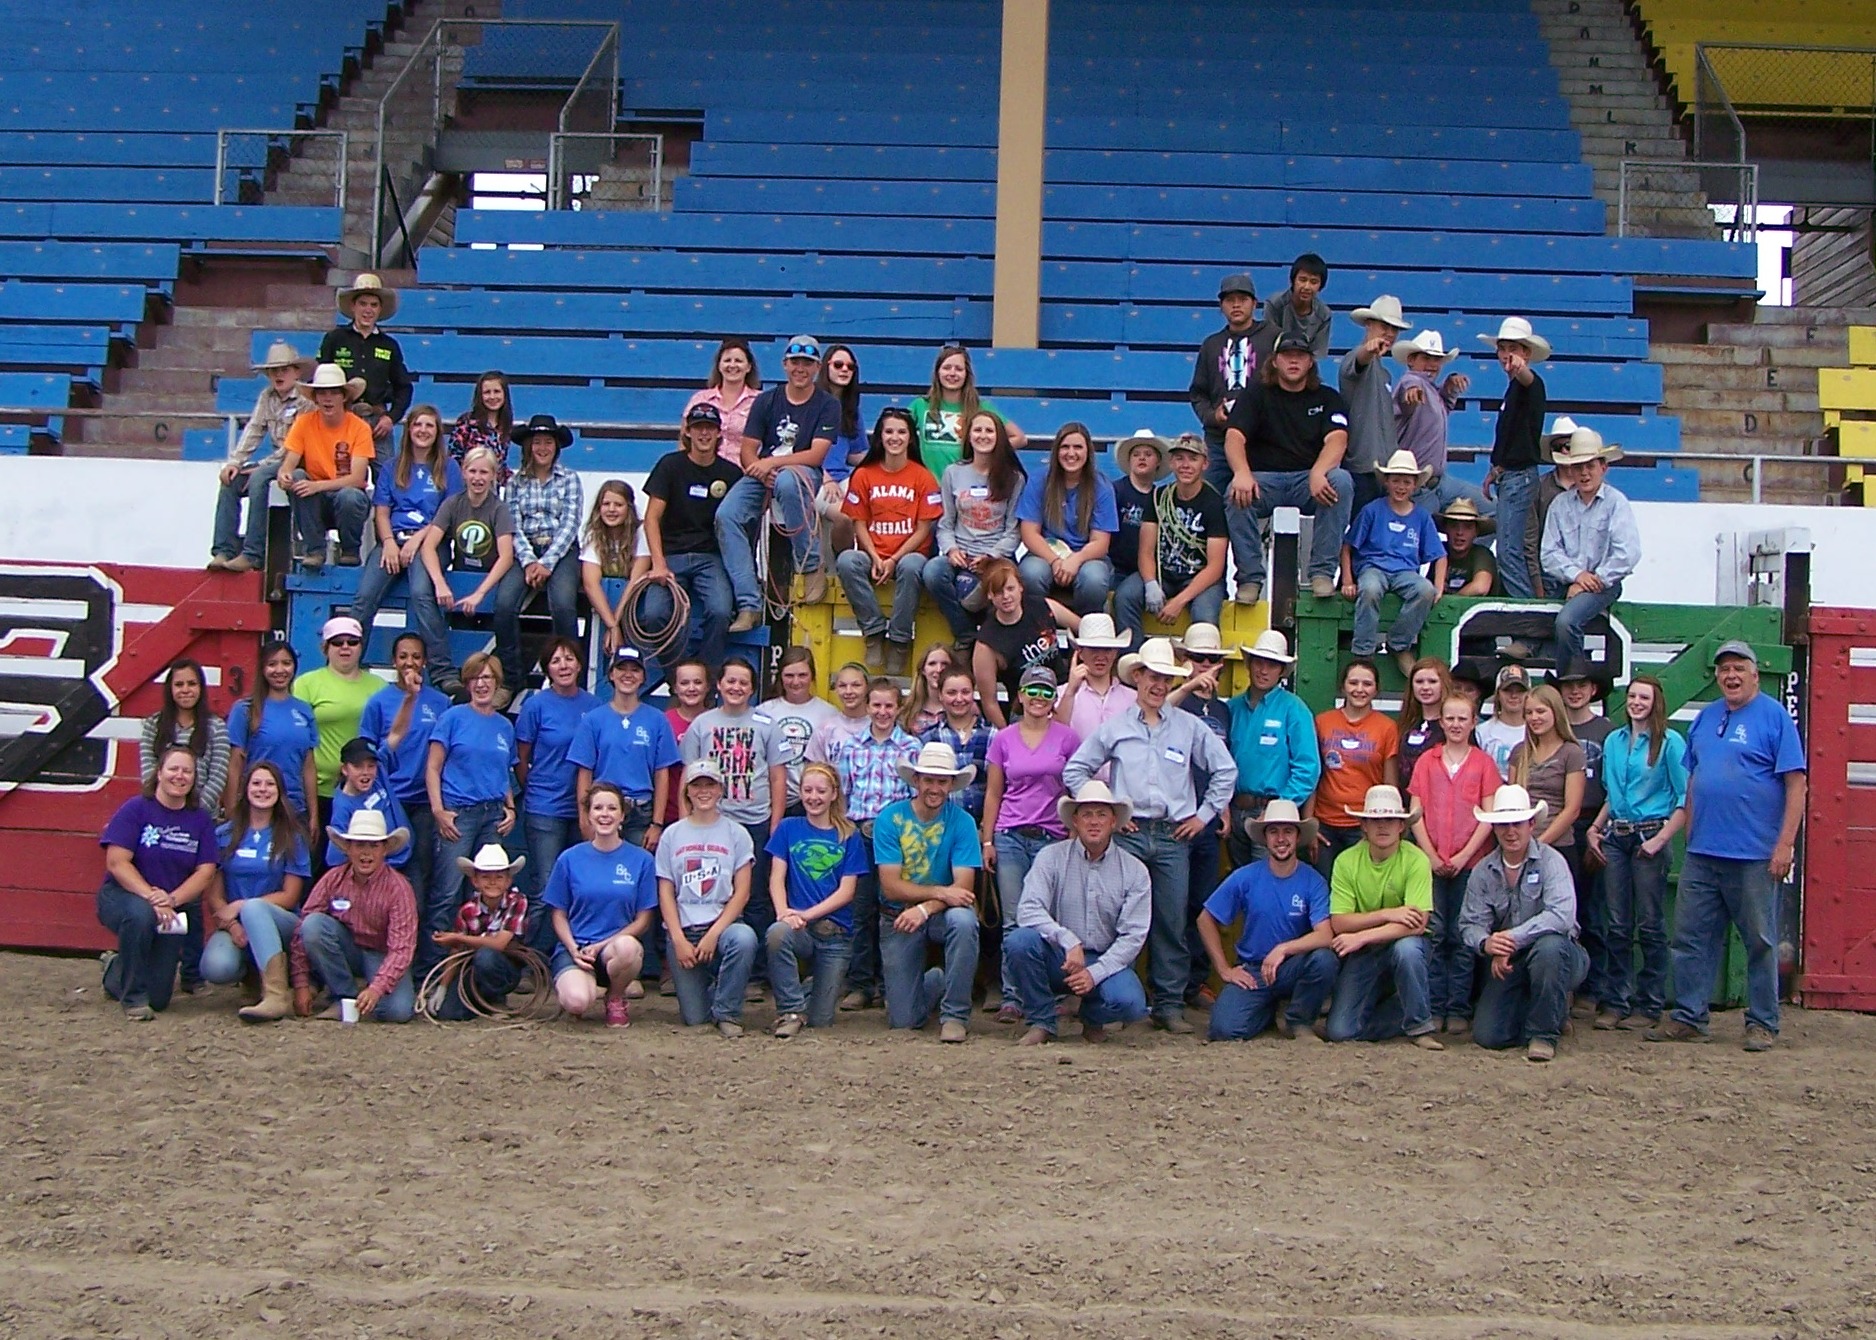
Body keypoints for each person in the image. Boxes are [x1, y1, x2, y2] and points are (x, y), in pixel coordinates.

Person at [1063, 637, 1236, 1033]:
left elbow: (1225, 770)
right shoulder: (1117, 727)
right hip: (1131, 831)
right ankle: (1112, 998)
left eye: (1165, 678)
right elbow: (1076, 770)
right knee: (1116, 919)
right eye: (1152, 677)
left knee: (1171, 921)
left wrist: (1203, 816)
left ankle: (1168, 1004)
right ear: (1138, 677)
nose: (1158, 685)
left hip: (1174, 833)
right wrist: (1111, 813)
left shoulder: (1189, 726)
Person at [1650, 641, 1805, 1051]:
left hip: (1754, 853)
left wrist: (1785, 844)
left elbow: (1796, 784)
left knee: (1759, 941)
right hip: (1703, 852)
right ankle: (1688, 1016)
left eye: (1738, 668)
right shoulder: (1705, 718)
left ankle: (1762, 1023)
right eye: (1724, 670)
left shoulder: (1775, 718)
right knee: (1690, 938)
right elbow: (1694, 780)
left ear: (1755, 674)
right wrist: (1690, 827)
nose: (1731, 676)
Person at [1006, 779, 1151, 1045]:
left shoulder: (1135, 871)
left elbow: (1133, 937)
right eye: (1086, 814)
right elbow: (1027, 909)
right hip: (1060, 956)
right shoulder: (1051, 856)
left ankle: (1092, 1017)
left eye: (1101, 814)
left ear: (1113, 822)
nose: (1094, 822)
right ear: (1075, 821)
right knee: (1018, 942)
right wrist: (1067, 939)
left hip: (1105, 958)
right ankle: (1042, 1020)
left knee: (1131, 1004)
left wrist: (1094, 973)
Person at [980, 664, 1081, 1022]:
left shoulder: (1068, 738)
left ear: (1054, 699)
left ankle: (1045, 992)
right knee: (1013, 920)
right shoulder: (1003, 738)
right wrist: (987, 839)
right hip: (1010, 836)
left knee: (1048, 919)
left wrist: (1074, 832)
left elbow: (1076, 790)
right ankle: (1012, 996)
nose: (1039, 699)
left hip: (1052, 837)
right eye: (1032, 691)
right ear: (1020, 696)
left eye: (1046, 692)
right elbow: (994, 792)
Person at [1586, 673, 1687, 1032]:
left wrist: (1661, 841)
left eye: (1643, 697)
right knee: (1616, 924)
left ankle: (1649, 1003)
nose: (1636, 702)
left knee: (1650, 924)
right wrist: (1596, 830)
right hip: (1617, 835)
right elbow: (1613, 795)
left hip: (1650, 836)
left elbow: (1684, 799)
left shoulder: (1670, 743)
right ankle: (1615, 1001)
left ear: (1656, 702)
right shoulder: (1614, 741)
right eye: (1632, 696)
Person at [1460, 784, 1589, 1061]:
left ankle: (1543, 1035)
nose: (1510, 831)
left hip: (1561, 953)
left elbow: (1561, 916)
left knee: (1550, 948)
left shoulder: (1552, 861)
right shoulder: (1483, 871)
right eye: (1503, 825)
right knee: (1488, 1035)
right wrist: (1488, 943)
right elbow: (1469, 924)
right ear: (1494, 829)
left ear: (1531, 824)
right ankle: (1551, 1012)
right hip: (1511, 960)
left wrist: (1509, 940)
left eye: (1517, 823)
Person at [719, 334, 840, 631]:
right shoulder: (767, 400)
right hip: (764, 472)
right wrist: (759, 469)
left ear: (817, 367)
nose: (801, 368)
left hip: (800, 471)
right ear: (785, 364)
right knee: (727, 516)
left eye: (808, 363)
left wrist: (770, 464)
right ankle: (748, 602)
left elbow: (816, 454)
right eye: (795, 362)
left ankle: (810, 564)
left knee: (787, 482)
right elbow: (748, 448)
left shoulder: (827, 404)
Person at [1222, 334, 1354, 602]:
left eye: (1301, 355)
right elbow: (1234, 436)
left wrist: (1319, 472)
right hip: (1264, 482)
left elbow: (1338, 438)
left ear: (1310, 363)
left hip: (1307, 481)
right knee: (1233, 492)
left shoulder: (1328, 397)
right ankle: (1249, 579)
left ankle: (1322, 573)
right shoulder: (1255, 394)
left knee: (1341, 481)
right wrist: (1241, 472)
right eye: (1287, 355)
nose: (1294, 360)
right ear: (1275, 361)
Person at [1196, 799, 1339, 1041]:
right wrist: (1224, 969)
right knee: (1224, 1030)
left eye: (1287, 831)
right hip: (1253, 970)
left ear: (1297, 837)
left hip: (1293, 966)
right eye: (1274, 831)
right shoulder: (1246, 877)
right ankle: (1270, 1010)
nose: (1281, 839)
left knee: (1324, 960)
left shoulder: (1313, 881)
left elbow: (1325, 935)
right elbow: (1205, 918)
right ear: (1265, 838)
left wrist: (1284, 949)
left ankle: (1298, 1021)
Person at [95, 746, 219, 1020]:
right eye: (173, 769)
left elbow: (205, 872)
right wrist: (151, 897)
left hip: (171, 908)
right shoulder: (136, 809)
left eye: (187, 771)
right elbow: (117, 862)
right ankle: (133, 1001)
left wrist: (172, 899)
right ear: (159, 773)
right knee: (140, 916)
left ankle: (115, 969)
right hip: (123, 897)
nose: (180, 776)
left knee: (161, 998)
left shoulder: (200, 819)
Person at [681, 657, 786, 972]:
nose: (736, 687)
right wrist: (686, 820)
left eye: (743, 682)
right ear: (719, 685)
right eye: (731, 681)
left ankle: (754, 972)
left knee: (755, 898)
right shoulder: (702, 724)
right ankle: (713, 964)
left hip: (754, 821)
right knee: (713, 893)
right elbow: (687, 776)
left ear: (752, 689)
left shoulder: (767, 725)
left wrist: (775, 824)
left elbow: (778, 777)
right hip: (713, 823)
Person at [873, 741, 983, 1042]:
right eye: (929, 780)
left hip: (937, 914)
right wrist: (942, 893)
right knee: (904, 1021)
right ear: (916, 781)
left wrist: (926, 908)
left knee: (964, 921)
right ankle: (934, 983)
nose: (935, 788)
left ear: (951, 784)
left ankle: (955, 1015)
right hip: (897, 915)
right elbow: (890, 886)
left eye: (942, 781)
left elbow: (964, 889)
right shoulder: (889, 819)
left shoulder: (963, 822)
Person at [421, 652, 518, 980]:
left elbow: (503, 771)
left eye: (488, 678)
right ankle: (430, 972)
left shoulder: (505, 726)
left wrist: (511, 808)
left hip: (493, 815)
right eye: (476, 678)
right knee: (447, 892)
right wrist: (438, 810)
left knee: (487, 896)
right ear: (467, 683)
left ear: (497, 684)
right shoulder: (452, 718)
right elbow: (433, 767)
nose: (482, 684)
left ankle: (471, 975)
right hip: (458, 813)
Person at [1409, 693, 1500, 1034]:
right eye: (1450, 718)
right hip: (1430, 861)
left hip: (1472, 863)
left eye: (1463, 718)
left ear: (1473, 722)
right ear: (1441, 722)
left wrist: (1464, 857)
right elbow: (1415, 812)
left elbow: (1489, 815)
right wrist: (1430, 854)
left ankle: (1458, 1008)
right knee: (1434, 933)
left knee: (1463, 937)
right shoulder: (1426, 761)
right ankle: (1433, 1007)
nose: (1456, 724)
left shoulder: (1484, 764)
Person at [1323, 784, 1440, 1048]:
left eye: (1390, 819)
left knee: (1408, 950)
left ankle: (1420, 1026)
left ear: (1402, 826)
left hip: (1400, 943)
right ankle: (1408, 1011)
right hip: (1366, 951)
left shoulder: (1416, 859)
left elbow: (1417, 924)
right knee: (1340, 1031)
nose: (1383, 826)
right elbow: (1339, 922)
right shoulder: (1345, 860)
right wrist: (1390, 914)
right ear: (1364, 825)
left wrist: (1362, 935)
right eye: (1375, 820)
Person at [828, 676, 919, 1012]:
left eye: (888, 706)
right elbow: (843, 794)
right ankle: (861, 984)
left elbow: (915, 797)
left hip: (896, 839)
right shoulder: (851, 747)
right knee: (861, 911)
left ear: (899, 708)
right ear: (867, 707)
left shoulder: (911, 748)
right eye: (876, 705)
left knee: (894, 910)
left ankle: (892, 983)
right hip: (860, 835)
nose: (882, 711)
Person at [196, 762, 311, 1022]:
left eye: (270, 784)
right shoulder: (224, 834)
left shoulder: (292, 836)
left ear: (280, 791)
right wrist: (233, 926)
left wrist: (244, 906)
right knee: (216, 967)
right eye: (256, 783)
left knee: (255, 908)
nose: (263, 789)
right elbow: (215, 896)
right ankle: (250, 975)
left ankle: (276, 995)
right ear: (245, 789)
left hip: (282, 923)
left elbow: (290, 895)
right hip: (235, 926)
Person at [1189, 273, 1278, 602]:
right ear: (1221, 306)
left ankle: (1250, 580)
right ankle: (1208, 584)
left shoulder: (1273, 338)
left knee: (1246, 503)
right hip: (1217, 439)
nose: (1236, 304)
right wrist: (1214, 415)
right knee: (1207, 504)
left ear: (1255, 304)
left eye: (1243, 299)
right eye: (1229, 299)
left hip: (1261, 443)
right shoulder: (1211, 345)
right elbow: (1197, 393)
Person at [765, 762, 869, 1036]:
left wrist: (805, 915)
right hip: (796, 928)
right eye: (807, 790)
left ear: (834, 794)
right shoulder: (788, 827)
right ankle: (790, 1010)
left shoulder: (849, 834)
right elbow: (776, 877)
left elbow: (847, 892)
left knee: (821, 1020)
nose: (814, 797)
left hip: (835, 934)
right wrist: (784, 913)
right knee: (777, 934)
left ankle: (811, 990)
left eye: (821, 791)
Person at [657, 759, 758, 1035]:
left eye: (710, 785)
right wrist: (677, 939)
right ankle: (711, 991)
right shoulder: (672, 835)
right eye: (697, 785)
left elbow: (742, 892)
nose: (703, 791)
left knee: (744, 938)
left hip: (723, 926)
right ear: (687, 791)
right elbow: (666, 891)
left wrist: (714, 934)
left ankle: (728, 1013)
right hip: (684, 930)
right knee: (696, 1019)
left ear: (720, 790)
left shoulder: (737, 833)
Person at [836, 406, 941, 673]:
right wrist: (874, 556)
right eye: (889, 431)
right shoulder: (863, 474)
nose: (895, 438)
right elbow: (858, 522)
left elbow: (923, 528)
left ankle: (899, 640)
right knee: (847, 560)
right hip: (873, 555)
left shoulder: (923, 476)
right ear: (880, 436)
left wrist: (893, 559)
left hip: (908, 555)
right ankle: (873, 632)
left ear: (910, 438)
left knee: (913, 566)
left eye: (902, 432)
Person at [545, 784, 659, 1027]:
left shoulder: (642, 860)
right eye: (597, 808)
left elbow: (643, 920)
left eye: (611, 808)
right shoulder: (569, 858)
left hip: (613, 950)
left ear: (622, 816)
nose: (604, 814)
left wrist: (601, 945)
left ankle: (615, 996)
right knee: (576, 1002)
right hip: (577, 948)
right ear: (588, 815)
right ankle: (579, 986)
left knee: (628, 948)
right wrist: (574, 948)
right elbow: (558, 914)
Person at [640, 404, 741, 680]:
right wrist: (658, 564)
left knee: (721, 611)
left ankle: (705, 682)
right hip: (671, 556)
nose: (704, 433)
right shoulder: (670, 465)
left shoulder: (732, 474)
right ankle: (680, 680)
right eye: (698, 427)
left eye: (710, 428)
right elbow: (651, 518)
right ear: (688, 431)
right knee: (653, 615)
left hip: (711, 558)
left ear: (719, 432)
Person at [289, 809, 418, 1023]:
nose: (365, 853)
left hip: (382, 954)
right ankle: (344, 996)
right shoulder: (333, 879)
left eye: (373, 845)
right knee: (312, 926)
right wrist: (300, 983)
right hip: (346, 948)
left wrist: (377, 989)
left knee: (399, 1012)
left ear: (384, 849)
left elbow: (402, 949)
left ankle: (355, 994)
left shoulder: (399, 889)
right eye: (359, 845)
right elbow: (302, 926)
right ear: (348, 849)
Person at [349, 405, 462, 647]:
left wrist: (417, 539)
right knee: (364, 597)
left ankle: (441, 669)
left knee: (422, 594)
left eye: (429, 425)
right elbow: (381, 512)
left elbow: (448, 515)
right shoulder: (392, 466)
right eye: (418, 424)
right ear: (409, 429)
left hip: (430, 543)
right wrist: (389, 543)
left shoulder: (450, 468)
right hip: (392, 539)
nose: (423, 430)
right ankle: (345, 661)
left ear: (438, 432)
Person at [411, 446, 518, 696]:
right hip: (459, 588)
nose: (478, 478)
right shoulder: (453, 504)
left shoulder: (499, 509)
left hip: (487, 588)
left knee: (485, 651)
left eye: (484, 472)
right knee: (460, 645)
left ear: (493, 475)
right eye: (472, 471)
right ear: (463, 473)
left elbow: (506, 556)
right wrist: (439, 582)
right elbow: (429, 545)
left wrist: (480, 593)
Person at [358, 633, 451, 908]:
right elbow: (367, 749)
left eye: (416, 656)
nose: (409, 662)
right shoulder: (378, 702)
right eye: (402, 656)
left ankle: (413, 942)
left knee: (420, 871)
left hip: (424, 801)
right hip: (388, 799)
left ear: (425, 661)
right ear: (393, 661)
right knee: (383, 866)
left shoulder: (441, 703)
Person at [515, 638, 603, 925]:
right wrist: (538, 789)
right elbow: (521, 758)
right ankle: (531, 960)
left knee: (582, 887)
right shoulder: (536, 705)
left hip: (586, 810)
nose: (563, 665)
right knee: (546, 888)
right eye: (555, 660)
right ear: (547, 669)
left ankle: (571, 955)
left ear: (580, 664)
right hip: (545, 809)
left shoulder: (595, 707)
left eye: (569, 659)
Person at [922, 410, 1027, 645]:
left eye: (989, 431)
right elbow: (945, 523)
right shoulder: (953, 473)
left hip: (995, 555)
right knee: (932, 572)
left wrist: (991, 556)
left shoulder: (1014, 478)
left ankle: (992, 644)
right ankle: (966, 635)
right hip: (961, 552)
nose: (983, 435)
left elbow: (1013, 529)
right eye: (977, 430)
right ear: (968, 436)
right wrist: (951, 550)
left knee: (1000, 587)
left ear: (999, 436)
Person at [1339, 450, 1446, 676]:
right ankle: (1363, 651)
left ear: (1415, 485)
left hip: (1405, 572)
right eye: (1396, 480)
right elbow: (1348, 546)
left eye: (1407, 481)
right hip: (1372, 568)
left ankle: (1399, 643)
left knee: (1424, 590)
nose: (1401, 486)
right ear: (1386, 482)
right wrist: (1348, 580)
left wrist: (1439, 587)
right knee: (1369, 589)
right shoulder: (1372, 510)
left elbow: (1439, 554)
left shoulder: (1422, 516)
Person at [1170, 622, 1233, 1007]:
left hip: (1207, 816)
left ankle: (1195, 982)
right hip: (1176, 815)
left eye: (1212, 659)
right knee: (1170, 905)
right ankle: (1170, 986)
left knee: (1201, 902)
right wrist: (1189, 686)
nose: (1205, 665)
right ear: (1185, 661)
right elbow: (1158, 708)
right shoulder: (1176, 700)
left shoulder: (1223, 710)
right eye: (1198, 658)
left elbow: (1224, 762)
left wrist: (1222, 806)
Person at [1540, 426, 1638, 669]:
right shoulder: (1560, 505)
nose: (1584, 473)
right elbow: (1548, 553)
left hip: (1604, 584)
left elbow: (1628, 553)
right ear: (1571, 469)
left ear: (1603, 468)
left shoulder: (1616, 503)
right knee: (1541, 622)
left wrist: (1590, 580)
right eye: (1578, 467)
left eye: (1590, 466)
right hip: (1566, 582)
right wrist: (1578, 575)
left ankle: (1573, 679)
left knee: (1566, 622)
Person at [1117, 433, 1228, 647]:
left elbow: (1215, 566)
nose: (1185, 465)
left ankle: (1203, 672)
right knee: (1125, 597)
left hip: (1200, 579)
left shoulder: (1214, 502)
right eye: (1179, 458)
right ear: (1171, 462)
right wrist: (1150, 583)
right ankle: (1131, 661)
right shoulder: (1158, 497)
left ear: (1205, 464)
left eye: (1193, 459)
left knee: (1204, 618)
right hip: (1163, 575)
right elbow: (1146, 551)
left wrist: (1179, 601)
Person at [1222, 630, 1320, 868]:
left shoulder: (1294, 709)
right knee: (1242, 884)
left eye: (1272, 664)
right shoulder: (1232, 708)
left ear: (1282, 671)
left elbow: (1308, 768)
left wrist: (1281, 807)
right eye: (1259, 662)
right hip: (1235, 809)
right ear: (1249, 664)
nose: (1264, 670)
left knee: (1266, 882)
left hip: (1273, 814)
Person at [209, 340, 306, 572]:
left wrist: (262, 465)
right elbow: (254, 429)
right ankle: (224, 550)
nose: (278, 376)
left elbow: (296, 444)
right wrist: (235, 462)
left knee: (260, 477)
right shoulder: (267, 397)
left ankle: (253, 552)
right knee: (230, 479)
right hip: (275, 460)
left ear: (296, 372)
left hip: (299, 460)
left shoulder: (306, 401)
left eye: (284, 370)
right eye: (274, 371)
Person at [569, 645, 678, 849]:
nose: (628, 675)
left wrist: (657, 823)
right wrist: (585, 818)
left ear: (643, 677)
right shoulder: (593, 720)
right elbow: (585, 772)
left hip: (641, 812)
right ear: (611, 674)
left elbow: (662, 774)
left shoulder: (657, 720)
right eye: (622, 668)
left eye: (635, 670)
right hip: (603, 811)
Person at [1554, 658, 1615, 1010]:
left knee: (1593, 911)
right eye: (1568, 684)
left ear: (1594, 690)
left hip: (1594, 824)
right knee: (1563, 907)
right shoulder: (1555, 730)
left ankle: (1594, 989)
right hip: (1560, 824)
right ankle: (1567, 985)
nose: (1575, 691)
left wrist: (1599, 829)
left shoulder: (1608, 732)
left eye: (1582, 685)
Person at [503, 413, 585, 669]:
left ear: (556, 446)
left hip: (561, 551)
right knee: (504, 604)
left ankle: (571, 671)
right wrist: (529, 562)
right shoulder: (515, 482)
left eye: (548, 442)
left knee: (562, 604)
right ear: (528, 446)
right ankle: (510, 673)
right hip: (524, 550)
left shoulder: (570, 479)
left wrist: (547, 562)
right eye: (537, 442)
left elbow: (570, 524)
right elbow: (513, 525)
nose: (542, 448)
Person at [295, 615, 381, 848]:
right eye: (337, 642)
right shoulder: (306, 684)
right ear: (325, 648)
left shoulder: (379, 687)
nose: (345, 647)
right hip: (319, 791)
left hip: (364, 791)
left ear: (361, 646)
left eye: (352, 642)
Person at [1478, 317, 1550, 598]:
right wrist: (1496, 470)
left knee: (1509, 552)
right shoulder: (1514, 389)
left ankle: (1527, 623)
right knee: (1510, 550)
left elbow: (1529, 380)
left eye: (1514, 349)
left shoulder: (1530, 384)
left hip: (1518, 479)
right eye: (1503, 348)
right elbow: (1512, 437)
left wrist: (1521, 370)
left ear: (1526, 353)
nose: (1507, 355)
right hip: (1511, 475)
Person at [1015, 422, 1117, 615]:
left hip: (1087, 557)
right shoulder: (1038, 481)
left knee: (1094, 579)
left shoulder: (1102, 486)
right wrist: (1055, 561)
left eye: (1078, 447)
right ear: (1056, 451)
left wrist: (1075, 560)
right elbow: (1029, 533)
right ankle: (1039, 629)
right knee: (1031, 573)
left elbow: (1100, 543)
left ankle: (1085, 628)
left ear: (1088, 452)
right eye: (1065, 447)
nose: (1071, 453)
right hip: (1046, 554)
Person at [1312, 658, 1399, 882]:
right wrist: (1310, 822)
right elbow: (1313, 774)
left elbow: (1389, 784)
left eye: (1367, 684)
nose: (1360, 689)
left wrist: (1380, 826)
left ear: (1377, 689)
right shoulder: (1322, 722)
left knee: (1361, 888)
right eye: (1353, 683)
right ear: (1343, 686)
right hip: (1325, 824)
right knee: (1326, 890)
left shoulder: (1387, 727)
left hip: (1364, 824)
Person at [279, 363, 374, 569]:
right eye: (322, 393)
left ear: (344, 397)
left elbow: (358, 478)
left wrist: (317, 485)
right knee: (296, 476)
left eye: (333, 393)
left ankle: (350, 550)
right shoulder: (303, 423)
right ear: (315, 398)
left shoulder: (360, 428)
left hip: (346, 498)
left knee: (350, 495)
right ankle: (314, 550)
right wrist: (284, 475)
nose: (327, 398)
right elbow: (288, 464)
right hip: (316, 501)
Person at [1505, 686, 1587, 916]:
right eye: (1529, 713)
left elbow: (1572, 809)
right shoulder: (1519, 753)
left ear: (1555, 712)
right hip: (1520, 846)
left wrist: (1539, 845)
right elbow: (1513, 802)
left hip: (1559, 846)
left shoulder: (1572, 753)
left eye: (1540, 711)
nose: (1534, 718)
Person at [224, 638, 319, 827]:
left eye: (286, 663)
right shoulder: (245, 709)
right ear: (262, 668)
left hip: (295, 809)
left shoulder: (304, 710)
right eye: (272, 664)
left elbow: (308, 767)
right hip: (255, 808)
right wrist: (231, 810)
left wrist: (314, 815)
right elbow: (234, 764)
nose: (280, 670)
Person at [428, 844, 528, 1020]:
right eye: (485, 877)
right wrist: (443, 987)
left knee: (486, 956)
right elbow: (456, 952)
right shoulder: (467, 910)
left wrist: (457, 937)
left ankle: (496, 998)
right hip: (474, 970)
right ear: (475, 881)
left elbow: (499, 944)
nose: (492, 882)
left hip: (506, 969)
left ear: (508, 881)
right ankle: (481, 1000)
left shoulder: (517, 902)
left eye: (499, 877)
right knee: (449, 1013)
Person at [972, 558, 1072, 729]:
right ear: (989, 595)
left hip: (1063, 691)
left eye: (1010, 588)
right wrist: (1007, 736)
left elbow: (1082, 629)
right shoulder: (985, 644)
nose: (1006, 597)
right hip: (1025, 708)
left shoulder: (1043, 606)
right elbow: (989, 703)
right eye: (998, 592)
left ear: (1020, 587)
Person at [1337, 295, 1413, 518]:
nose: (1389, 333)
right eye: (1384, 326)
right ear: (1369, 325)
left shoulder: (1385, 374)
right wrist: (1369, 350)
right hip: (1362, 468)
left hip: (1383, 469)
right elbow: (1359, 361)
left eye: (1394, 329)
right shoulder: (1355, 358)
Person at [1388, 330, 1477, 513]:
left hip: (1439, 482)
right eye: (1426, 358)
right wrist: (1412, 391)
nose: (1432, 364)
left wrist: (1449, 386)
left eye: (1436, 359)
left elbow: (1441, 407)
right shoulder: (1412, 380)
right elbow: (1410, 386)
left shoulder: (1432, 389)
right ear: (1411, 360)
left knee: (1490, 508)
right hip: (1417, 486)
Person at [908, 343, 1025, 481]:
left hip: (966, 487)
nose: (952, 373)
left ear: (966, 374)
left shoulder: (981, 407)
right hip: (930, 488)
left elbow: (1019, 438)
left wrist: (987, 452)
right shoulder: (920, 405)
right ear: (937, 372)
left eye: (958, 369)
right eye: (946, 368)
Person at [318, 273, 411, 445]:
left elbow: (404, 387)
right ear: (353, 306)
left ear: (380, 309)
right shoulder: (334, 339)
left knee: (384, 470)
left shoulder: (390, 345)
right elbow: (319, 380)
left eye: (374, 305)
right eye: (363, 304)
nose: (368, 310)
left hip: (377, 423)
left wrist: (391, 418)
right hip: (340, 418)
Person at [140, 658, 230, 820]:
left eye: (192, 684)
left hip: (202, 818)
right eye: (179, 685)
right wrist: (166, 807)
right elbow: (148, 772)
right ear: (170, 689)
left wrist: (191, 813)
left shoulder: (217, 727)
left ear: (201, 688)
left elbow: (218, 777)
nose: (186, 690)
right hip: (159, 815)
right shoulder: (153, 725)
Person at [757, 645, 837, 816]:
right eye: (789, 675)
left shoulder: (829, 713)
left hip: (810, 800)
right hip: (769, 799)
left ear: (812, 676)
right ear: (780, 677)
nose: (795, 682)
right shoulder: (764, 711)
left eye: (802, 675)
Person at [579, 479, 650, 660]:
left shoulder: (641, 532)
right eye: (606, 504)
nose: (611, 509)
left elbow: (636, 580)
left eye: (618, 504)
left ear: (629, 508)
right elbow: (590, 584)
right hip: (604, 612)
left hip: (634, 611)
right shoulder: (594, 535)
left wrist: (616, 622)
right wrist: (612, 625)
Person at [919, 666, 994, 829]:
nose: (959, 699)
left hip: (981, 827)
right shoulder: (928, 738)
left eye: (965, 692)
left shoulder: (992, 735)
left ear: (973, 694)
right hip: (939, 827)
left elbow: (997, 788)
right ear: (940, 695)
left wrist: (986, 829)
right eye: (951, 693)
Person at [322, 736, 411, 873]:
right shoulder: (342, 807)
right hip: (383, 868)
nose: (366, 772)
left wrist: (408, 712)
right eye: (357, 766)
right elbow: (334, 858)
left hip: (408, 853)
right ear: (345, 769)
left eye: (371, 766)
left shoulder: (379, 774)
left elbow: (397, 734)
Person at [814, 343, 867, 555]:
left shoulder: (851, 409)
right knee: (844, 516)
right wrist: (826, 478)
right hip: (816, 478)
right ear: (825, 368)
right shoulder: (811, 403)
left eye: (850, 366)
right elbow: (798, 451)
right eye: (838, 364)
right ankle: (842, 568)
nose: (844, 369)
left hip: (844, 479)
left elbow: (857, 455)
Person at [1054, 613, 1134, 745]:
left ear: (1115, 653)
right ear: (1080, 653)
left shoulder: (1132, 698)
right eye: (1094, 649)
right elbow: (1054, 736)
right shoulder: (1062, 693)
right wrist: (1070, 692)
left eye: (1107, 650)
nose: (1100, 656)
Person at [685, 338, 761, 452]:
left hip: (744, 469)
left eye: (738, 361)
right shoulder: (700, 399)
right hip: (706, 468)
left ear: (749, 367)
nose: (732, 365)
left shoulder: (761, 401)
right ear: (719, 366)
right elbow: (685, 440)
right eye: (727, 360)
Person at [447, 370, 515, 483]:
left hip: (493, 490)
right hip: (469, 487)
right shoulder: (467, 422)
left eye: (497, 391)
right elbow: (454, 458)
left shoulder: (505, 425)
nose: (492, 397)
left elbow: (500, 464)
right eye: (487, 392)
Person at [1395, 658, 1457, 783]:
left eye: (1432, 681)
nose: (1425, 687)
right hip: (1404, 799)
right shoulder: (1406, 723)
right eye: (1419, 681)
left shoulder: (1454, 725)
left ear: (1443, 684)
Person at [1262, 252, 1332, 358]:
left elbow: (1319, 353)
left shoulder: (1324, 314)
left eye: (1313, 282)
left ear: (1320, 286)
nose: (1307, 286)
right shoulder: (1275, 304)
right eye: (1302, 280)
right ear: (1293, 280)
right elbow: (1268, 346)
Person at [808, 660, 872, 767]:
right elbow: (814, 771)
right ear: (836, 689)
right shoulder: (825, 729)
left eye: (856, 685)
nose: (848, 691)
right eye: (842, 686)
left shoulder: (878, 727)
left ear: (867, 688)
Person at [1476, 665, 1531, 780]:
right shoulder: (1482, 732)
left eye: (1520, 691)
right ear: (1498, 694)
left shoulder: (1535, 731)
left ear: (1528, 694)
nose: (1514, 695)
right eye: (1507, 690)